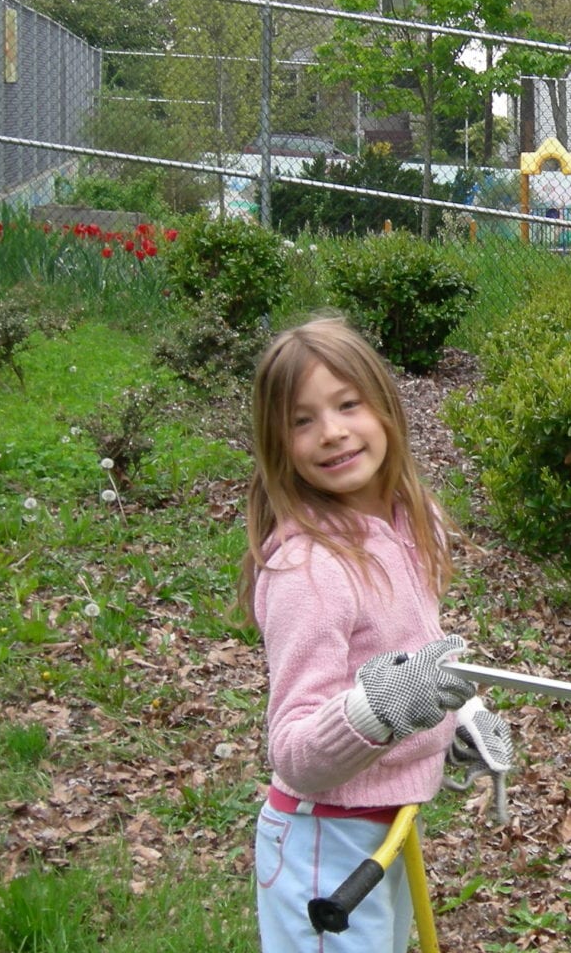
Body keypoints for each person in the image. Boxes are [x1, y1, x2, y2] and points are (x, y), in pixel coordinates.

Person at [239, 315, 511, 951]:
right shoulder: (308, 569)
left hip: (383, 832)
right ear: (278, 444)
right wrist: (381, 708)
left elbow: (415, 645)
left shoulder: (409, 523)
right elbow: (297, 754)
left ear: (385, 408)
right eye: (302, 420)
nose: (331, 433)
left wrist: (458, 713)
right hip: (325, 848)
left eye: (347, 405)